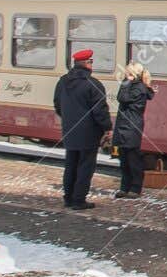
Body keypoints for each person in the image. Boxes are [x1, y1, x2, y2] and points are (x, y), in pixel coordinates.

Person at [54, 49, 111, 211]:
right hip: (89, 133)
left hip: (69, 130)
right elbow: (100, 111)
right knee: (85, 167)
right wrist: (107, 128)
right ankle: (79, 200)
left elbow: (57, 105)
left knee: (70, 164)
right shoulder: (94, 84)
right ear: (87, 64)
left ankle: (68, 198)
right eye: (91, 62)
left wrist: (67, 119)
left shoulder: (62, 82)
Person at [113, 62, 154, 199]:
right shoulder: (132, 86)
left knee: (132, 158)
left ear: (133, 74)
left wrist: (126, 82)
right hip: (125, 125)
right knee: (124, 158)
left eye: (128, 73)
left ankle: (135, 188)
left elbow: (122, 98)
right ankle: (125, 187)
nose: (125, 75)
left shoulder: (138, 88)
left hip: (131, 126)